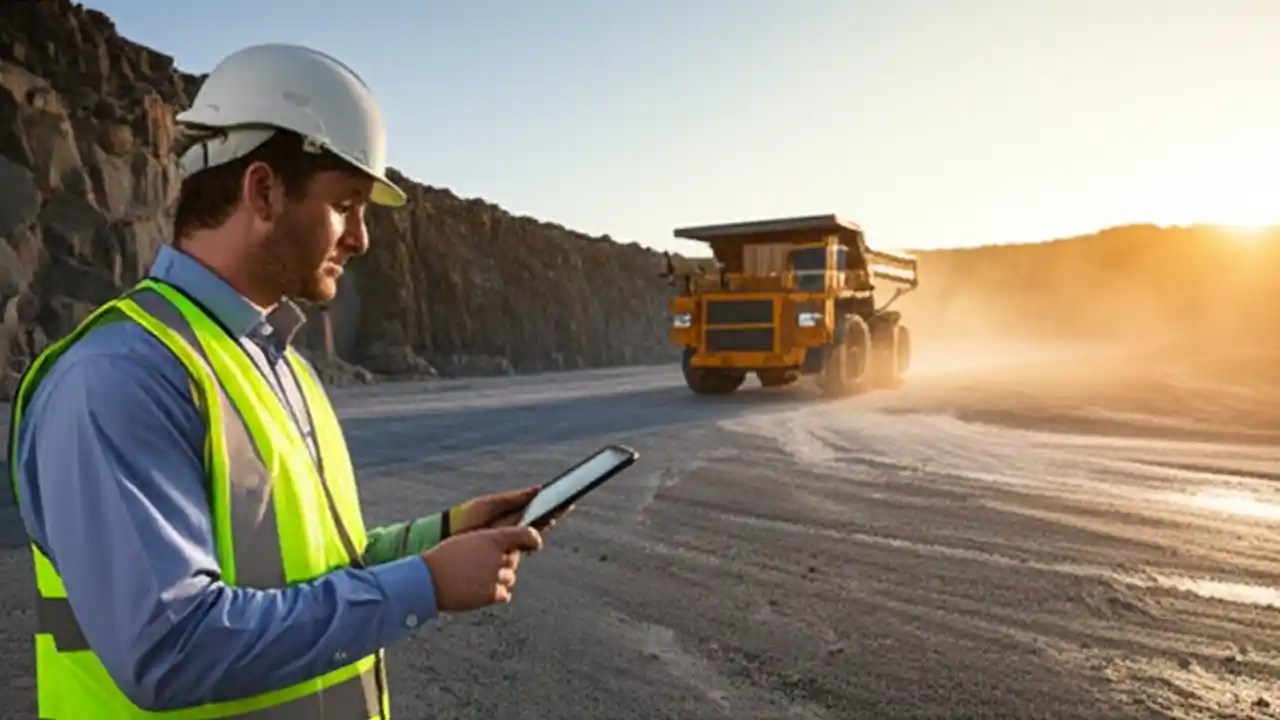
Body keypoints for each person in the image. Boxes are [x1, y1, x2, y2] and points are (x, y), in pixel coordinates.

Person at [7, 43, 548, 718]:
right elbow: (171, 648)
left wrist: (439, 535)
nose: (361, 238)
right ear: (262, 191)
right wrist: (423, 588)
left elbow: (313, 563)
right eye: (347, 204)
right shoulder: (119, 378)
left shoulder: (277, 362)